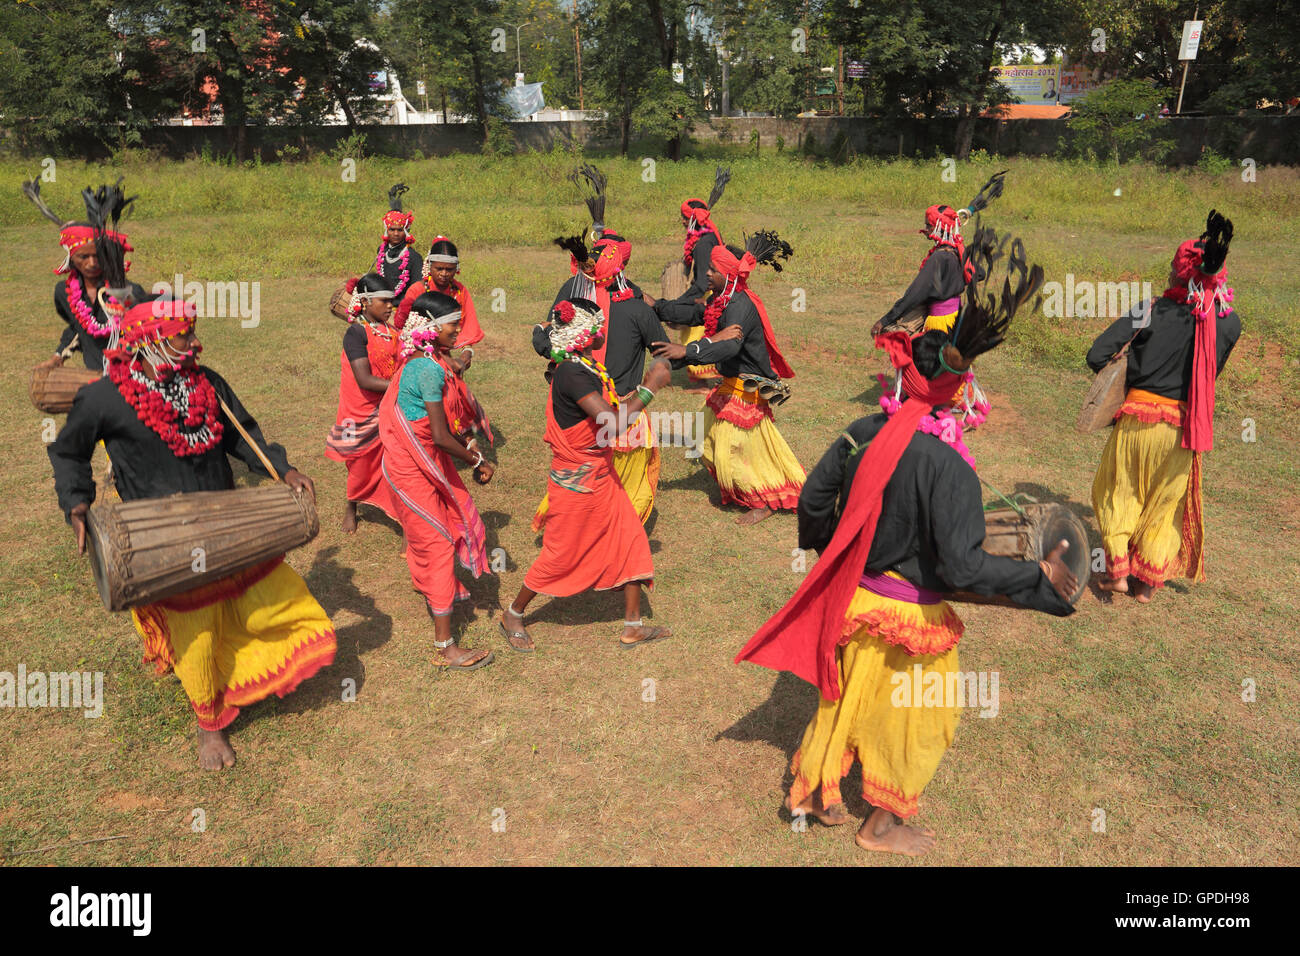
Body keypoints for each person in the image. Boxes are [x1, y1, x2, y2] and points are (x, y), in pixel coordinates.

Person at [736, 228, 1076, 855]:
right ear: (957, 390)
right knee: (921, 720)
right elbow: (960, 566)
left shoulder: (861, 432)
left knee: (844, 699)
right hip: (909, 614)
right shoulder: (950, 469)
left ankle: (814, 794)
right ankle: (881, 824)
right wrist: (1038, 582)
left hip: (856, 601)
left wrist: (830, 548)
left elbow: (813, 500)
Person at [48, 299, 336, 771]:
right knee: (198, 629)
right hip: (166, 540)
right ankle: (210, 725)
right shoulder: (104, 398)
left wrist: (282, 468)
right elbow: (68, 452)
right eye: (184, 334)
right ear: (152, 340)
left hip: (226, 517)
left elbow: (242, 433)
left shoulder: (207, 383)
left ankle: (262, 674)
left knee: (275, 598)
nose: (194, 342)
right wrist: (76, 503)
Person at [502, 298, 672, 651]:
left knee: (631, 540)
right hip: (578, 482)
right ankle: (514, 613)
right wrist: (650, 387)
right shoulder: (572, 373)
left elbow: (605, 412)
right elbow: (611, 422)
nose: (604, 331)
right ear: (584, 333)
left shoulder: (583, 365)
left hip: (600, 475)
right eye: (599, 325)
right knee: (561, 555)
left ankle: (633, 626)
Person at [1089, 211, 1239, 603]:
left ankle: (1117, 575)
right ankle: (1146, 585)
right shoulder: (1230, 323)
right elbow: (1210, 373)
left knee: (1120, 491)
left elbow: (1096, 354)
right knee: (1165, 503)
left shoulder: (1150, 308)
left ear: (1179, 271)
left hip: (1139, 419)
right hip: (1186, 429)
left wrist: (1131, 363)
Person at [530, 234, 686, 526]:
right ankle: (614, 533)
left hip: (577, 413)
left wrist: (538, 333)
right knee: (625, 493)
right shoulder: (639, 307)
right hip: (626, 412)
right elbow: (669, 355)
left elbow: (549, 340)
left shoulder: (572, 296)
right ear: (622, 266)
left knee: (582, 488)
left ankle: (584, 530)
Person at [379, 291, 497, 670]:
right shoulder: (427, 368)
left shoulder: (427, 359)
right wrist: (476, 457)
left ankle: (433, 586)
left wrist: (464, 443)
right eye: (452, 325)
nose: (458, 331)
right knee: (439, 541)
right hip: (409, 466)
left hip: (420, 458)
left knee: (433, 529)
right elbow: (441, 436)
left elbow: (443, 429)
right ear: (430, 327)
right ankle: (445, 647)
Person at [652, 231, 803, 525]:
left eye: (712, 270)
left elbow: (730, 344)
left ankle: (761, 500)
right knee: (707, 437)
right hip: (731, 382)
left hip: (748, 386)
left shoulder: (739, 307)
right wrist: (656, 307)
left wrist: (686, 350)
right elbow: (699, 314)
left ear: (729, 274)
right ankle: (741, 487)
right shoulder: (723, 298)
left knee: (732, 447)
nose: (705, 273)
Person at [24, 179, 150, 371]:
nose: (91, 263)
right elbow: (78, 326)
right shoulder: (63, 293)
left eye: (97, 256)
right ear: (71, 258)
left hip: (131, 377)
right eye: (84, 256)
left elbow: (150, 332)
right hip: (94, 378)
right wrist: (58, 357)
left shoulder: (128, 292)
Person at [325, 273, 400, 533]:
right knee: (360, 463)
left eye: (392, 301)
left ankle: (398, 511)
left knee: (393, 461)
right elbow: (364, 379)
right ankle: (352, 505)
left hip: (388, 405)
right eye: (384, 301)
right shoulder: (356, 333)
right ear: (366, 302)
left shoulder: (393, 332)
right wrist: (402, 386)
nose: (390, 306)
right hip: (361, 408)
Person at [655, 171, 731, 389]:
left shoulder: (704, 244)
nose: (680, 221)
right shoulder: (704, 235)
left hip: (705, 295)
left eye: (683, 217)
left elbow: (702, 282)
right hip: (707, 292)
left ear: (690, 219)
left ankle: (700, 381)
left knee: (694, 333)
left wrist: (680, 303)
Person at [394, 236, 485, 351]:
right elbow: (401, 324)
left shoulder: (459, 291)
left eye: (449, 269)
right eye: (439, 268)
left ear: (456, 268)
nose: (444, 273)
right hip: (417, 349)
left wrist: (467, 351)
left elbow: (469, 325)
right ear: (429, 265)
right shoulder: (417, 290)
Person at [373, 183, 420, 300]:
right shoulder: (382, 251)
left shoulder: (414, 258)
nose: (395, 234)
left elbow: (416, 291)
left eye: (400, 230)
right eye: (392, 229)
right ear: (386, 230)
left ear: (406, 232)